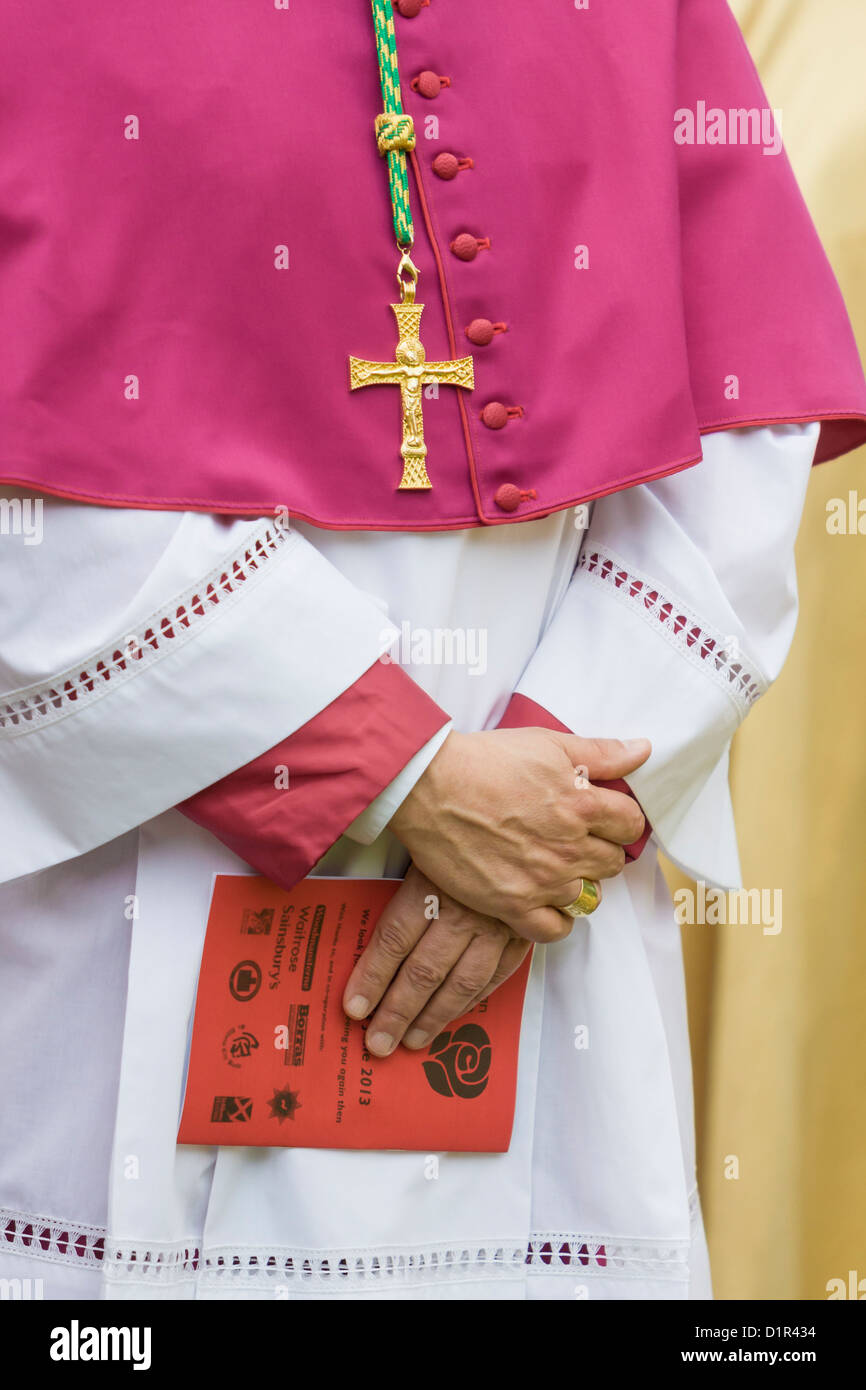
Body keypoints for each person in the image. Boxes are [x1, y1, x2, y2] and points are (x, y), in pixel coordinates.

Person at [0, 0, 863, 1301]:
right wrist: (406, 775)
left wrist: (560, 777)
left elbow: (742, 426)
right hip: (143, 893)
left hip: (553, 910)